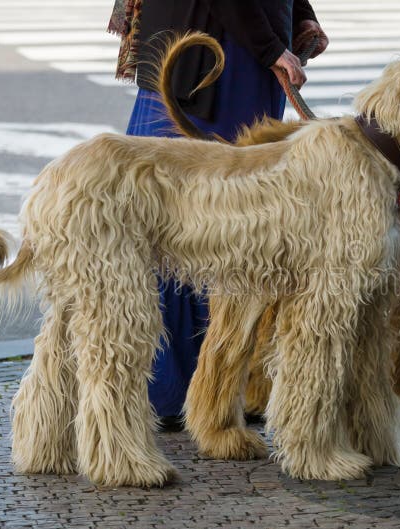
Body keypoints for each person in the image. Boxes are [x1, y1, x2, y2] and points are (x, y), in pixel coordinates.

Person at [108, 0, 328, 431]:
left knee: (222, 233)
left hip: (234, 52)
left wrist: (300, 15)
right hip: (215, 56)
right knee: (181, 226)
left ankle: (207, 387)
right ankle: (165, 389)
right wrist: (270, 47)